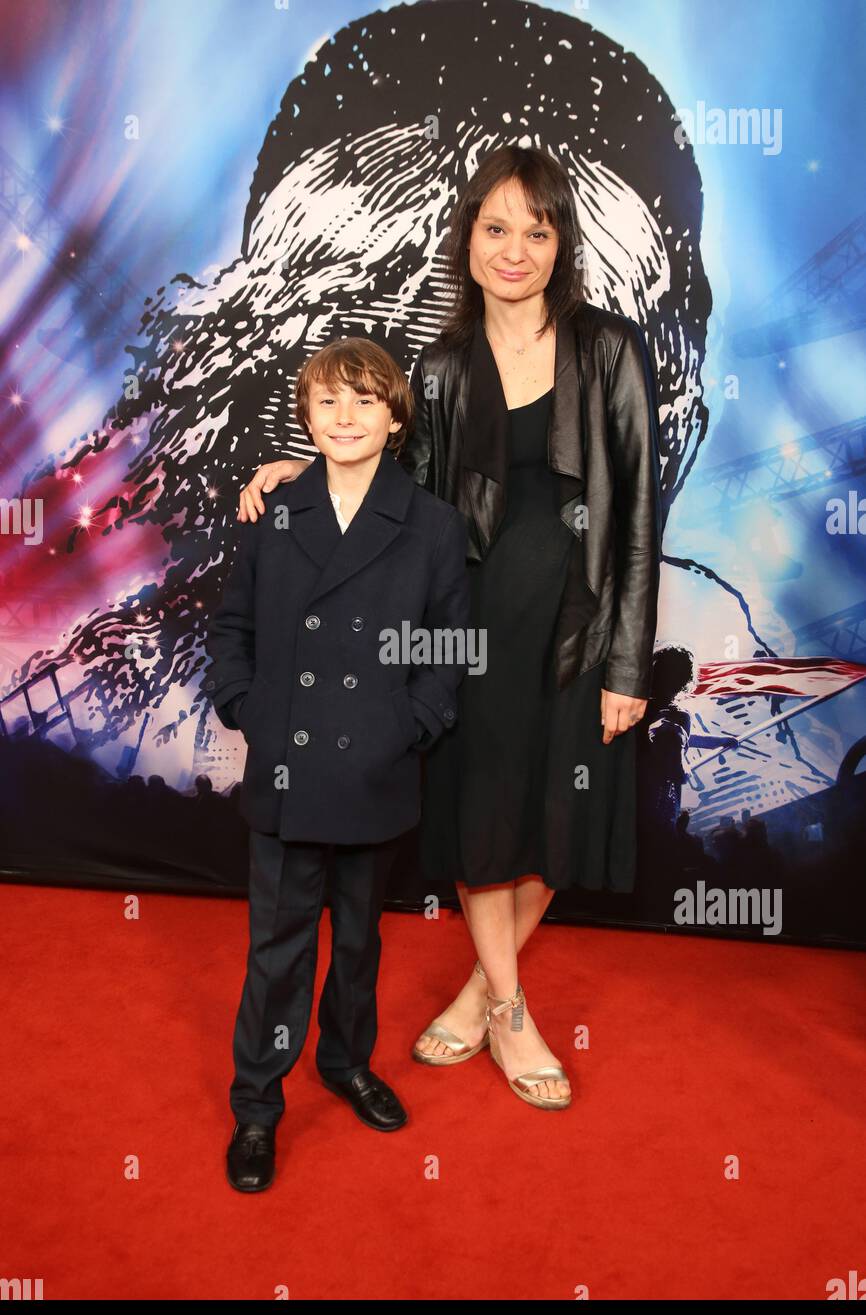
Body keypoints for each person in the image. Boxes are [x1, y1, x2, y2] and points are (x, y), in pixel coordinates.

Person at [234, 146, 662, 1112]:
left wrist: (627, 657)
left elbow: (638, 515)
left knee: (561, 820)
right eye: (496, 227)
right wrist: (299, 473)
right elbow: (391, 482)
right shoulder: (437, 367)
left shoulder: (609, 351)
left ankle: (480, 992)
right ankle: (515, 1018)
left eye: (537, 231)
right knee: (481, 820)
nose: (515, 250)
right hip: (464, 634)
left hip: (578, 625)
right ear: (467, 239)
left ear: (561, 245)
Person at [204, 337, 470, 1190]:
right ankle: (257, 1108)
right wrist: (249, 710)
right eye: (327, 402)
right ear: (307, 418)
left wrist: (412, 723)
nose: (345, 417)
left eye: (364, 401)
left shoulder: (432, 525)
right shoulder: (273, 510)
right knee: (278, 949)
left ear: (396, 418)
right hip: (287, 770)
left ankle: (346, 1062)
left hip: (377, 771)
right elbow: (233, 629)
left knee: (358, 943)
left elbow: (447, 648)